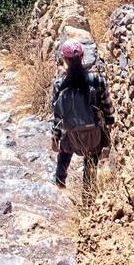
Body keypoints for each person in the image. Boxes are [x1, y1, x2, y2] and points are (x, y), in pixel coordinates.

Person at [50, 39, 112, 194]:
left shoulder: (59, 84)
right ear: (83, 57)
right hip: (94, 134)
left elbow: (58, 116)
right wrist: (109, 121)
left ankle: (60, 178)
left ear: (64, 59)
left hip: (71, 137)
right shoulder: (97, 80)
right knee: (91, 162)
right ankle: (88, 195)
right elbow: (108, 107)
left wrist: (55, 138)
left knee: (64, 149)